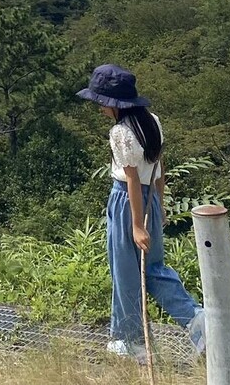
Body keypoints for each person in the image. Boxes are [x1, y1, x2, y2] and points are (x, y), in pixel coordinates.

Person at [76, 65, 206, 362]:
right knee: (154, 268)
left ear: (113, 103)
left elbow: (131, 180)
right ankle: (197, 318)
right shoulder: (152, 121)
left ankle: (129, 341)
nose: (99, 108)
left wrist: (136, 225)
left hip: (126, 202)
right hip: (150, 201)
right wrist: (158, 206)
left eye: (101, 102)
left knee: (125, 272)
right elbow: (159, 167)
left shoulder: (120, 132)